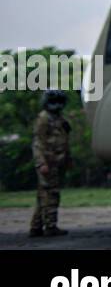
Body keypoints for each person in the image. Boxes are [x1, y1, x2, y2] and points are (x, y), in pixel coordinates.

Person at [29, 89, 72, 238]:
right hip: (48, 162)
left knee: (43, 195)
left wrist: (67, 161)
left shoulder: (58, 118)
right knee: (51, 195)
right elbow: (38, 143)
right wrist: (41, 163)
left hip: (56, 162)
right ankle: (50, 226)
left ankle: (36, 226)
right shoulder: (44, 119)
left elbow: (64, 141)